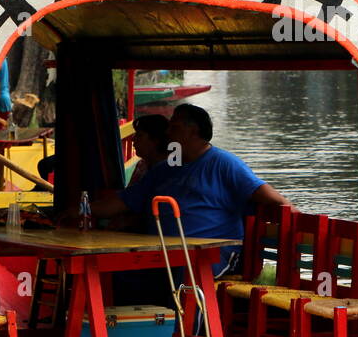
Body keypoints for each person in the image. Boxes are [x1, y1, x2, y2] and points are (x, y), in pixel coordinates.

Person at [81, 104, 292, 275]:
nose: (167, 132)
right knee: (119, 273)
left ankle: (191, 329)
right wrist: (82, 210)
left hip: (213, 256)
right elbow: (122, 202)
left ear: (193, 132)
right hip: (164, 254)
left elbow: (277, 201)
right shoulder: (165, 169)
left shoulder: (224, 163)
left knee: (187, 275)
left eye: (174, 127)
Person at [127, 113, 170, 185]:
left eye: (140, 135)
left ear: (156, 140)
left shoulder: (168, 172)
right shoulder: (141, 165)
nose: (133, 139)